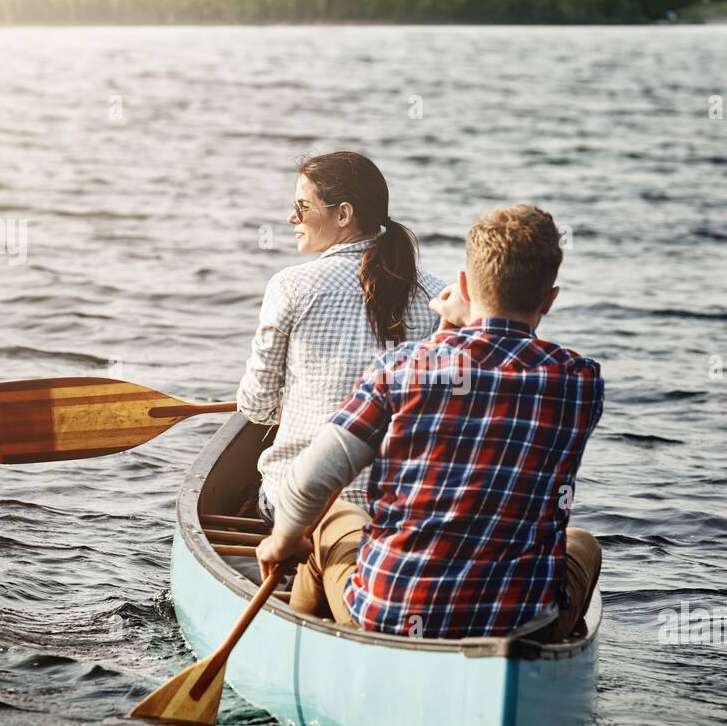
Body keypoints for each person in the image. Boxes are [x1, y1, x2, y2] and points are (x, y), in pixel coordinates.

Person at [255, 205, 604, 642]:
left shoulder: (402, 369)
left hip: (393, 614)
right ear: (550, 299)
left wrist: (282, 542)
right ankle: (543, 660)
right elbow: (488, 403)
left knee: (329, 515)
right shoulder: (580, 380)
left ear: (463, 284)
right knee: (583, 544)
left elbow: (310, 481)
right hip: (520, 626)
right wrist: (461, 329)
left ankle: (297, 640)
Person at [236, 151, 445, 522]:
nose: (291, 218)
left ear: (344, 214)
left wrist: (293, 404)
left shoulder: (290, 287)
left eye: (302, 208)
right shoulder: (436, 297)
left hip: (298, 505)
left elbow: (255, 406)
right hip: (393, 509)